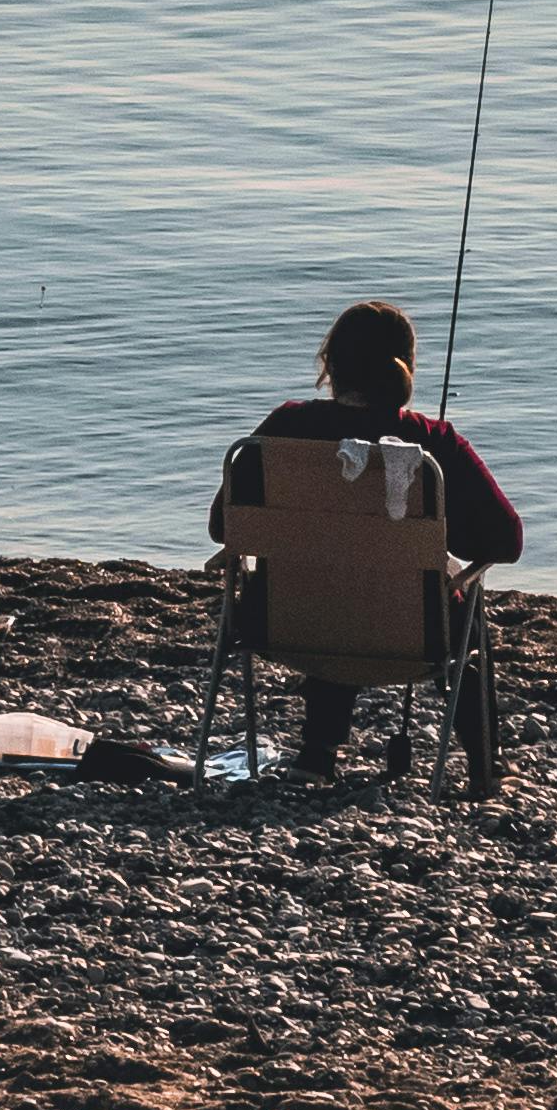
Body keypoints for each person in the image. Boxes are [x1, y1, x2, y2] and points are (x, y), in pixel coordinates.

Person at [211, 297, 522, 781]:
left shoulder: (284, 429)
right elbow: (506, 540)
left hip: (284, 622)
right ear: (406, 367)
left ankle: (317, 755)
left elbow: (221, 525)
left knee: (329, 570)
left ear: (331, 365)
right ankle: (484, 764)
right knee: (453, 604)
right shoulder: (434, 444)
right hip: (413, 633)